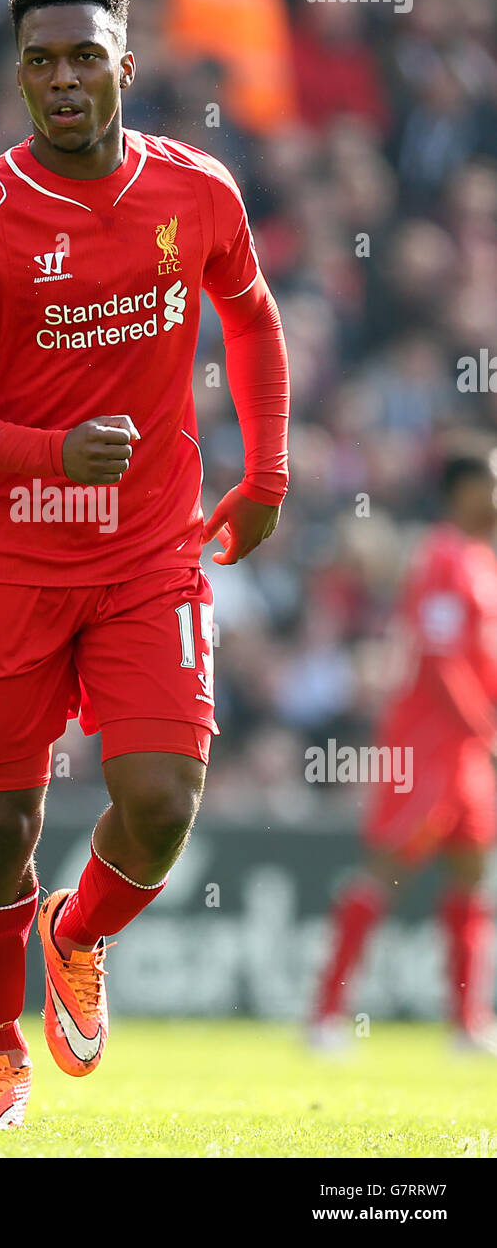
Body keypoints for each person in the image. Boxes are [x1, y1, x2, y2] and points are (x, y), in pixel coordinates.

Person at [0, 0, 290, 1127]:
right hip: (10, 557)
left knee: (161, 797)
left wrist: (264, 470)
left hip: (148, 553)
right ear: (18, 77)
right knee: (0, 823)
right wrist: (49, 452)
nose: (63, 78)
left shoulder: (196, 190)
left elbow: (253, 317)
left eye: (84, 56)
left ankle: (75, 931)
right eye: (41, 61)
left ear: (127, 64)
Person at [310, 448, 497, 1051]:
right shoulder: (442, 558)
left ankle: (465, 1026)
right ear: (461, 491)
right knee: (386, 873)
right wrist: (487, 727)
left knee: (470, 878)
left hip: (469, 752)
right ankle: (326, 1016)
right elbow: (441, 663)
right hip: (430, 750)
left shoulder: (482, 561)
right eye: (489, 484)